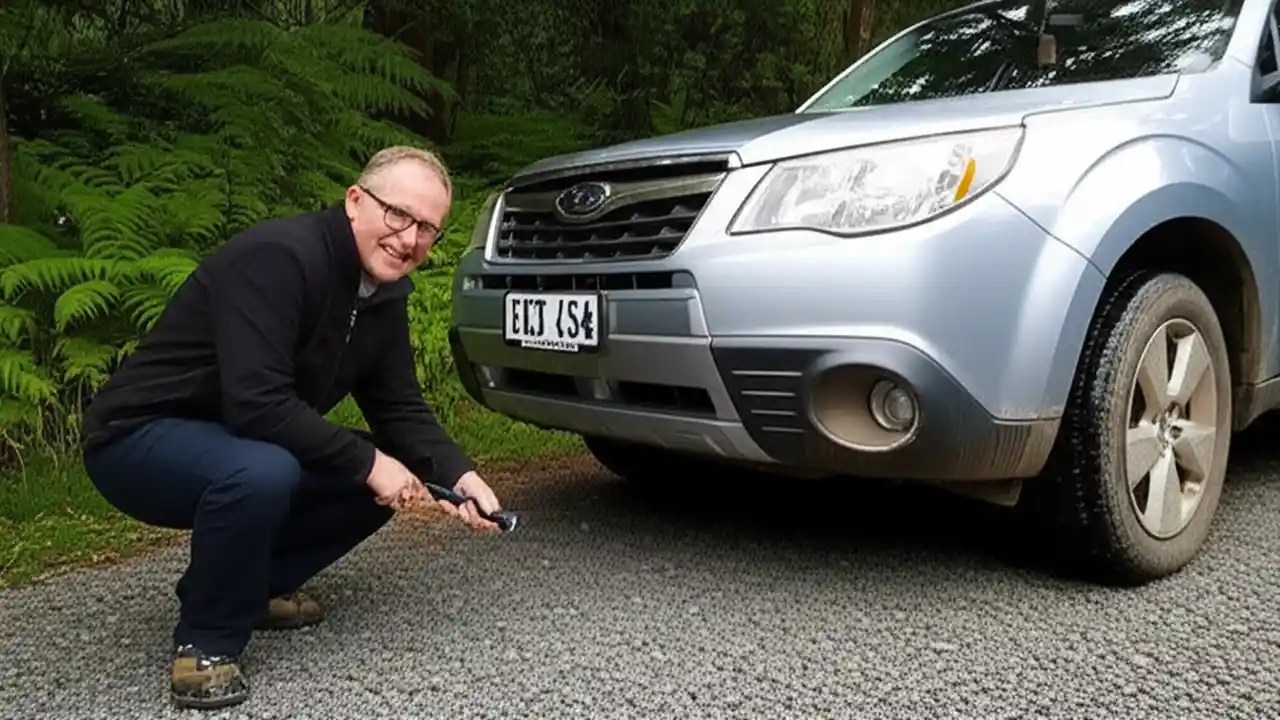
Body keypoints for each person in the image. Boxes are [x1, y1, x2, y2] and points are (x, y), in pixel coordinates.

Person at [79, 145, 504, 710]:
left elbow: (399, 408)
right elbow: (257, 403)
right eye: (398, 215)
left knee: (374, 477)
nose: (409, 239)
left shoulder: (383, 295)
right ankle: (206, 642)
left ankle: (246, 589)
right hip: (137, 439)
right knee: (279, 469)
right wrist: (373, 465)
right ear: (356, 201)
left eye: (428, 229)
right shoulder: (280, 257)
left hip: (234, 440)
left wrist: (458, 475)